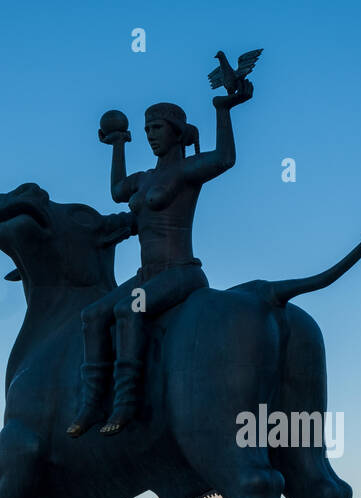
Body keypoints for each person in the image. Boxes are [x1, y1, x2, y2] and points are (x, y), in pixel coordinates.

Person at [67, 78, 254, 438]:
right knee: (92, 315)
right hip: (146, 274)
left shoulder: (187, 170)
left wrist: (223, 110)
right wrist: (118, 143)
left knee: (127, 309)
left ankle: (126, 402)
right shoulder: (144, 179)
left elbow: (226, 158)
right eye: (147, 129)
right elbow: (117, 190)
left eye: (157, 128)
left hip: (180, 271)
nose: (151, 135)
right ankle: (91, 404)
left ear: (176, 131)